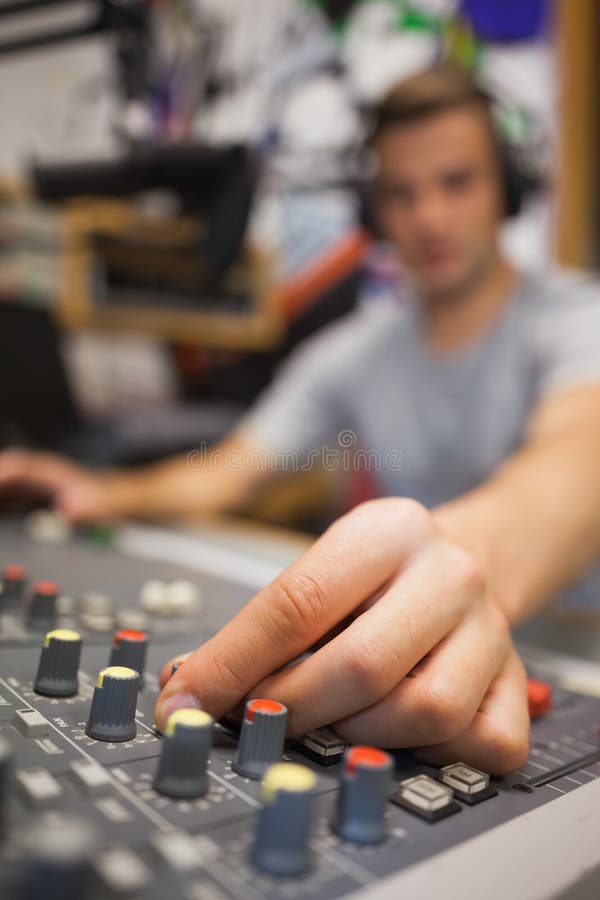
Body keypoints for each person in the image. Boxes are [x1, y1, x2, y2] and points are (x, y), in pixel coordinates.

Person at [3, 64, 600, 774]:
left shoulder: (577, 317)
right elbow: (233, 467)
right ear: (376, 212)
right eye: (402, 194)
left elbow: (576, 465)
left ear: (506, 186)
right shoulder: (352, 349)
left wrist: (455, 562)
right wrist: (97, 491)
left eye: (457, 182)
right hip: (413, 653)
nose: (429, 217)